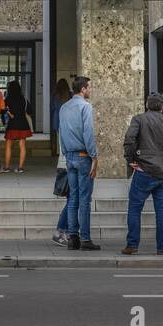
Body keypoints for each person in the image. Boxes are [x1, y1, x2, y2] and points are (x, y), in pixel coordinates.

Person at [121, 93, 163, 255]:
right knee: (162, 211)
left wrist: (131, 159)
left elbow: (129, 139)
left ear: (147, 105)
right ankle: (162, 246)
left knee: (135, 208)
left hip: (144, 170)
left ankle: (132, 244)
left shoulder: (139, 119)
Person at [58, 75, 100, 250]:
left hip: (70, 157)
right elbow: (88, 133)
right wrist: (94, 156)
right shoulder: (85, 106)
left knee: (73, 198)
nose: (90, 90)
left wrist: (67, 153)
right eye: (89, 87)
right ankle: (86, 239)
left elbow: (61, 132)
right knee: (84, 199)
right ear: (83, 89)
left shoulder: (64, 107)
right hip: (83, 156)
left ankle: (72, 238)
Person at [2, 79, 33, 173]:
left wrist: (9, 113)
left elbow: (2, 109)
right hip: (23, 124)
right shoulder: (23, 99)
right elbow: (30, 111)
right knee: (22, 145)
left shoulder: (8, 99)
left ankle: (7, 167)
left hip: (12, 124)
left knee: (8, 145)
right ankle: (20, 168)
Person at [50, 77, 71, 153]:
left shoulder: (54, 95)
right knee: (68, 137)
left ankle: (61, 153)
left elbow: (52, 107)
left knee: (60, 138)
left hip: (57, 118)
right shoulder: (70, 94)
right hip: (68, 118)